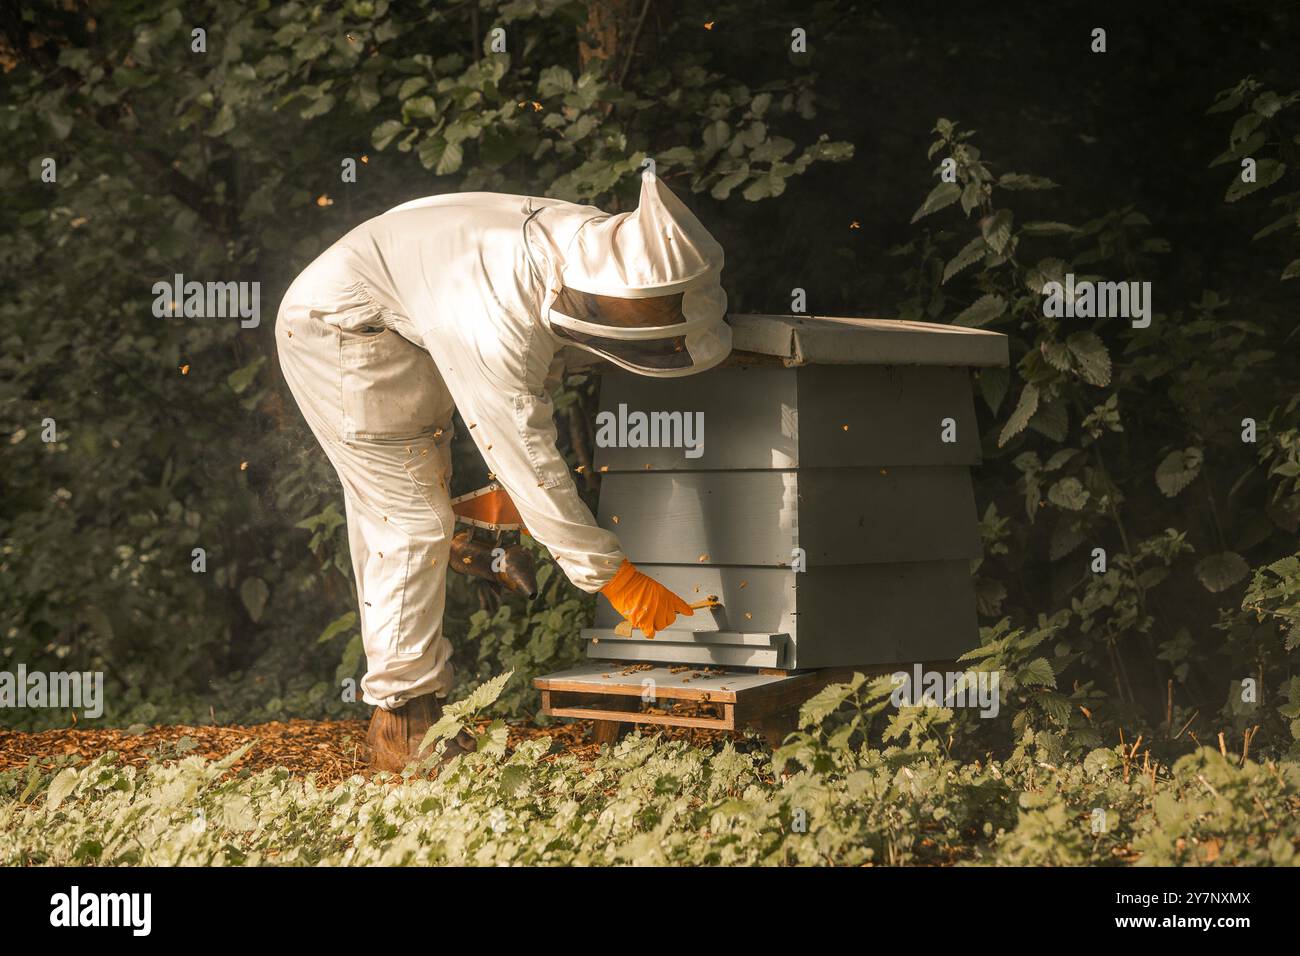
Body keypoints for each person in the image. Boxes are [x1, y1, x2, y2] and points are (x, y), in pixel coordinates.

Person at [274, 170, 731, 770]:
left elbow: (532, 386)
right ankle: (403, 725)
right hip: (339, 329)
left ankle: (464, 541)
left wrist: (511, 506)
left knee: (423, 509)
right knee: (406, 522)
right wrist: (610, 577)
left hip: (400, 318)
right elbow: (515, 437)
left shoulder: (583, 245)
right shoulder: (496, 307)